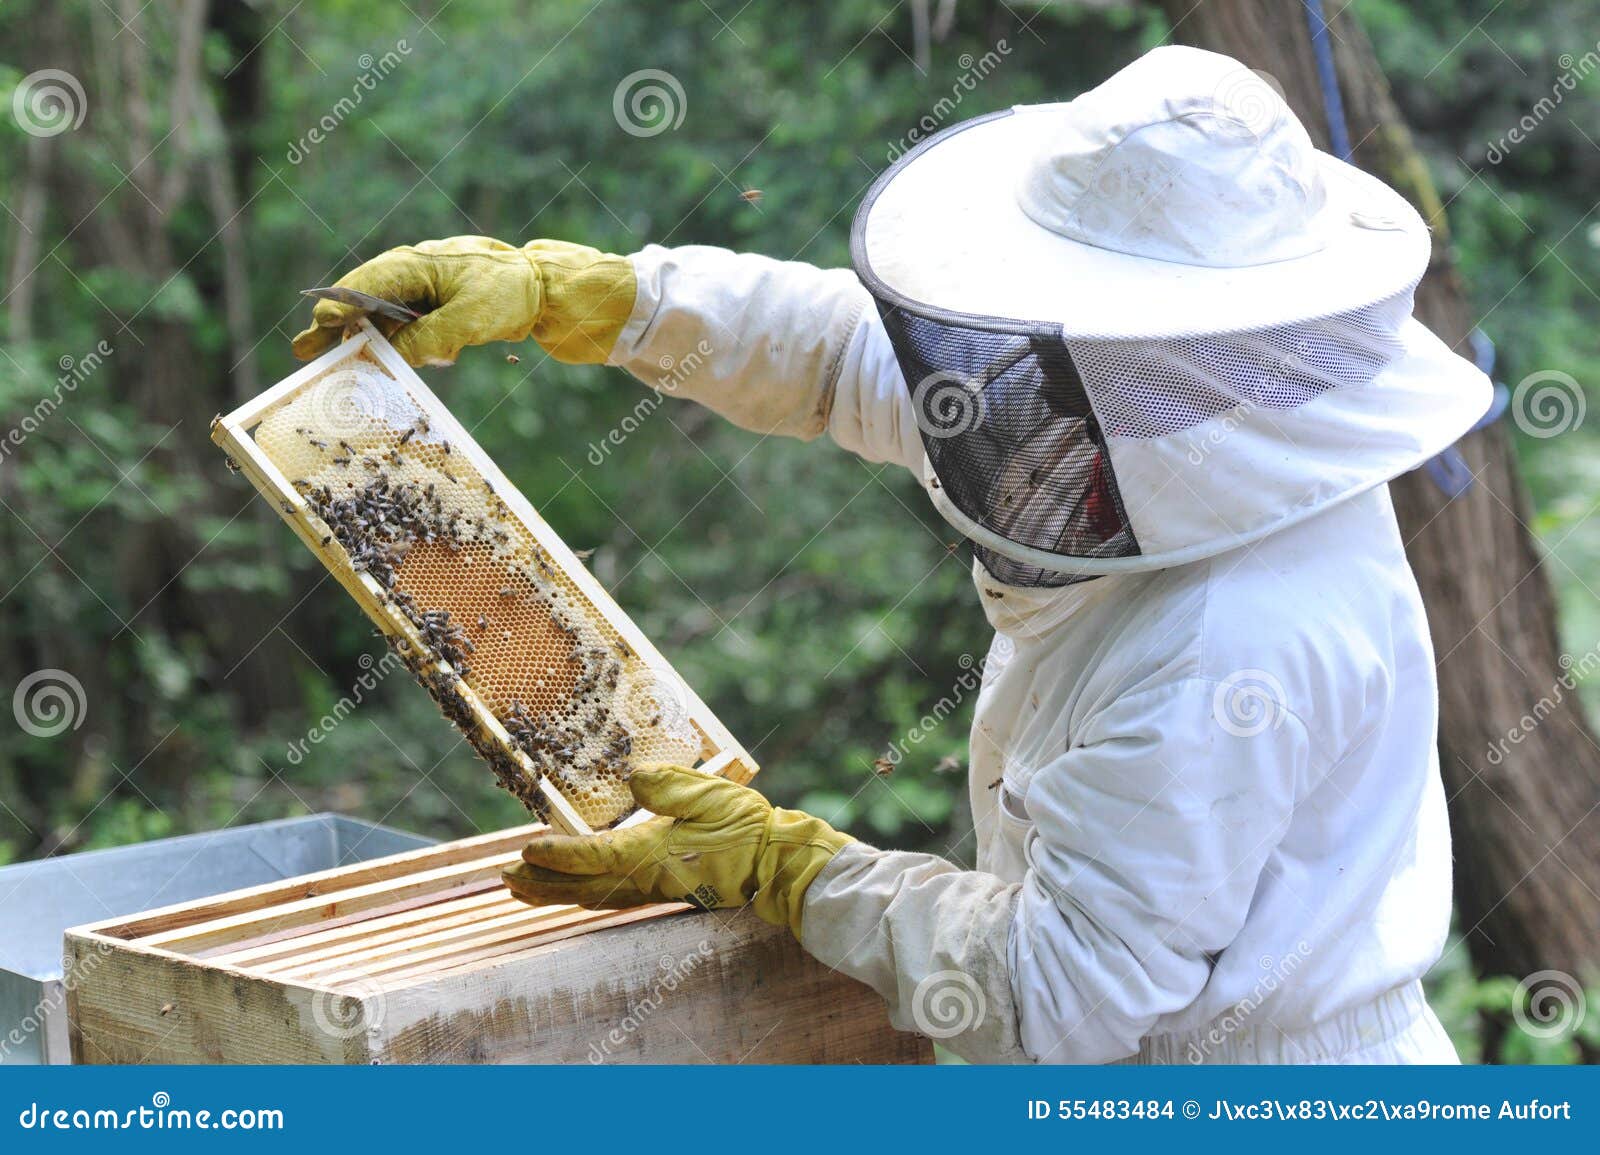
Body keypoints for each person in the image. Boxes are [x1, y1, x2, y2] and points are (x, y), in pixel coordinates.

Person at [293, 46, 1490, 1064]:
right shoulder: (1158, 405)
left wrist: (790, 872)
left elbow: (1056, 995)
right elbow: (846, 357)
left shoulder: (1226, 637)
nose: (990, 384)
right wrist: (589, 296)